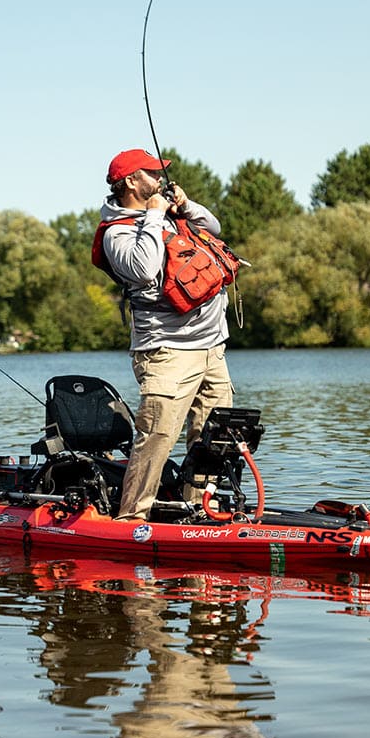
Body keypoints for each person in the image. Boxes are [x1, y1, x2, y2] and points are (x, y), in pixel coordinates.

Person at [94, 148, 234, 521]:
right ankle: (132, 517)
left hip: (212, 349)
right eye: (152, 173)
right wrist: (154, 215)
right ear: (130, 182)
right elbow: (142, 269)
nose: (160, 178)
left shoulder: (169, 217)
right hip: (166, 353)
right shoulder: (117, 233)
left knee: (214, 439)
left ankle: (201, 508)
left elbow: (214, 229)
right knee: (157, 437)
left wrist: (186, 207)